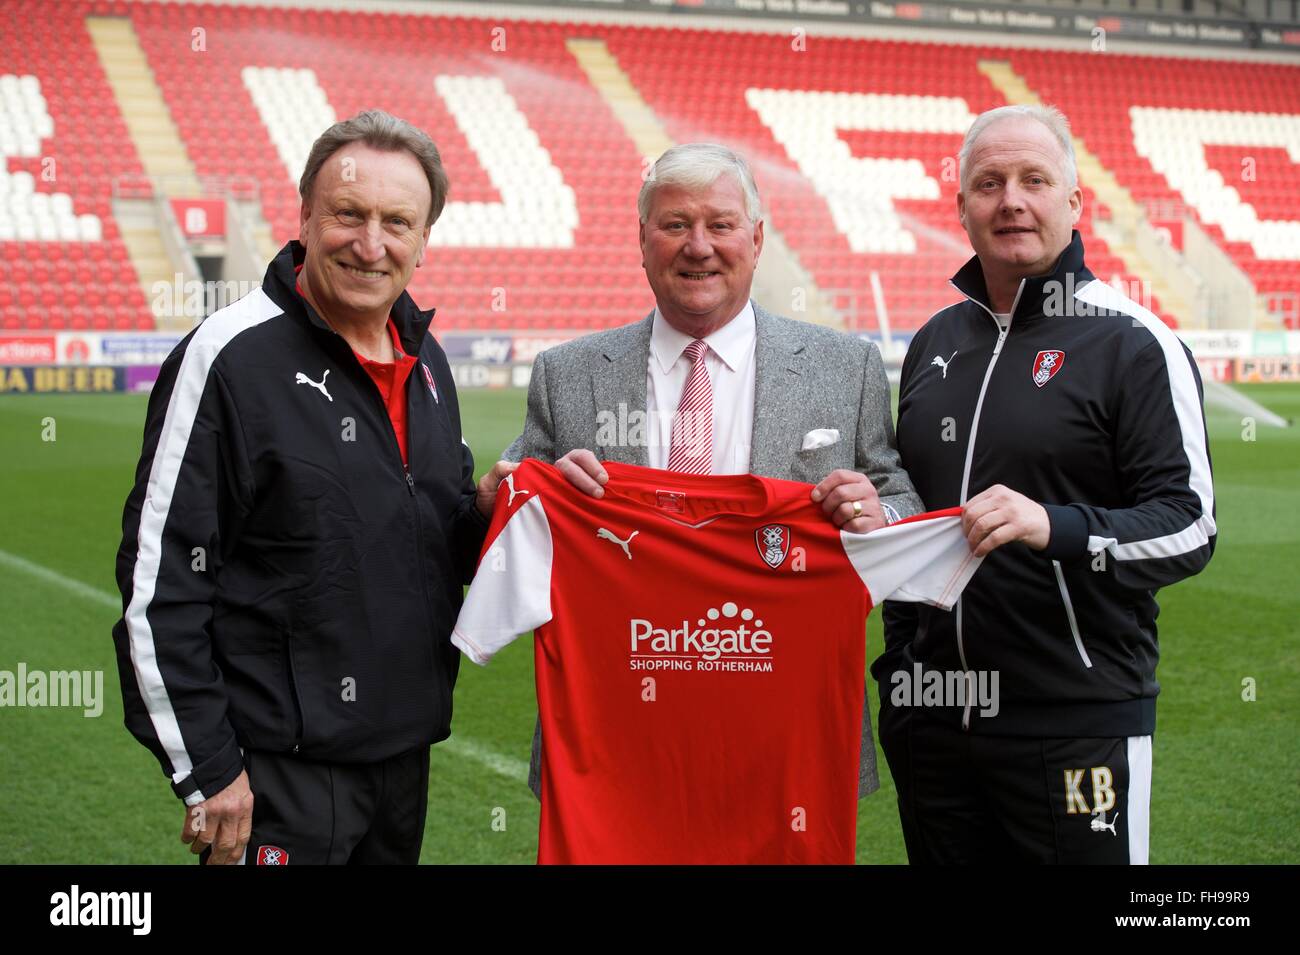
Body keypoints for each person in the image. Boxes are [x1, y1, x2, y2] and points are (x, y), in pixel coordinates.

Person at [111, 110, 513, 865]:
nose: (371, 244)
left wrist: (481, 513)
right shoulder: (228, 359)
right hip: (277, 777)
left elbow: (431, 536)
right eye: (348, 214)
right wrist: (208, 768)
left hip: (402, 764)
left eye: (398, 221)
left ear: (424, 239)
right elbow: (155, 586)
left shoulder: (426, 362)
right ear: (302, 216)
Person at [505, 142, 923, 802]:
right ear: (642, 241)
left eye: (720, 225)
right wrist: (520, 495)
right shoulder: (569, 374)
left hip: (785, 734)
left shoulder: (847, 368)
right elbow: (508, 508)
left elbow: (899, 495)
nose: (698, 246)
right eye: (675, 225)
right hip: (615, 738)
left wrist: (882, 517)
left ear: (755, 239)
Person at [874, 104, 1216, 864]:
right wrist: (902, 669)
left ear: (1074, 200)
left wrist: (1055, 526)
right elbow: (914, 519)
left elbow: (1190, 524)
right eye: (988, 183)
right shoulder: (934, 342)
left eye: (1034, 179)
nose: (1011, 200)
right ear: (960, 204)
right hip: (935, 725)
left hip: (1073, 723)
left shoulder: (1132, 341)